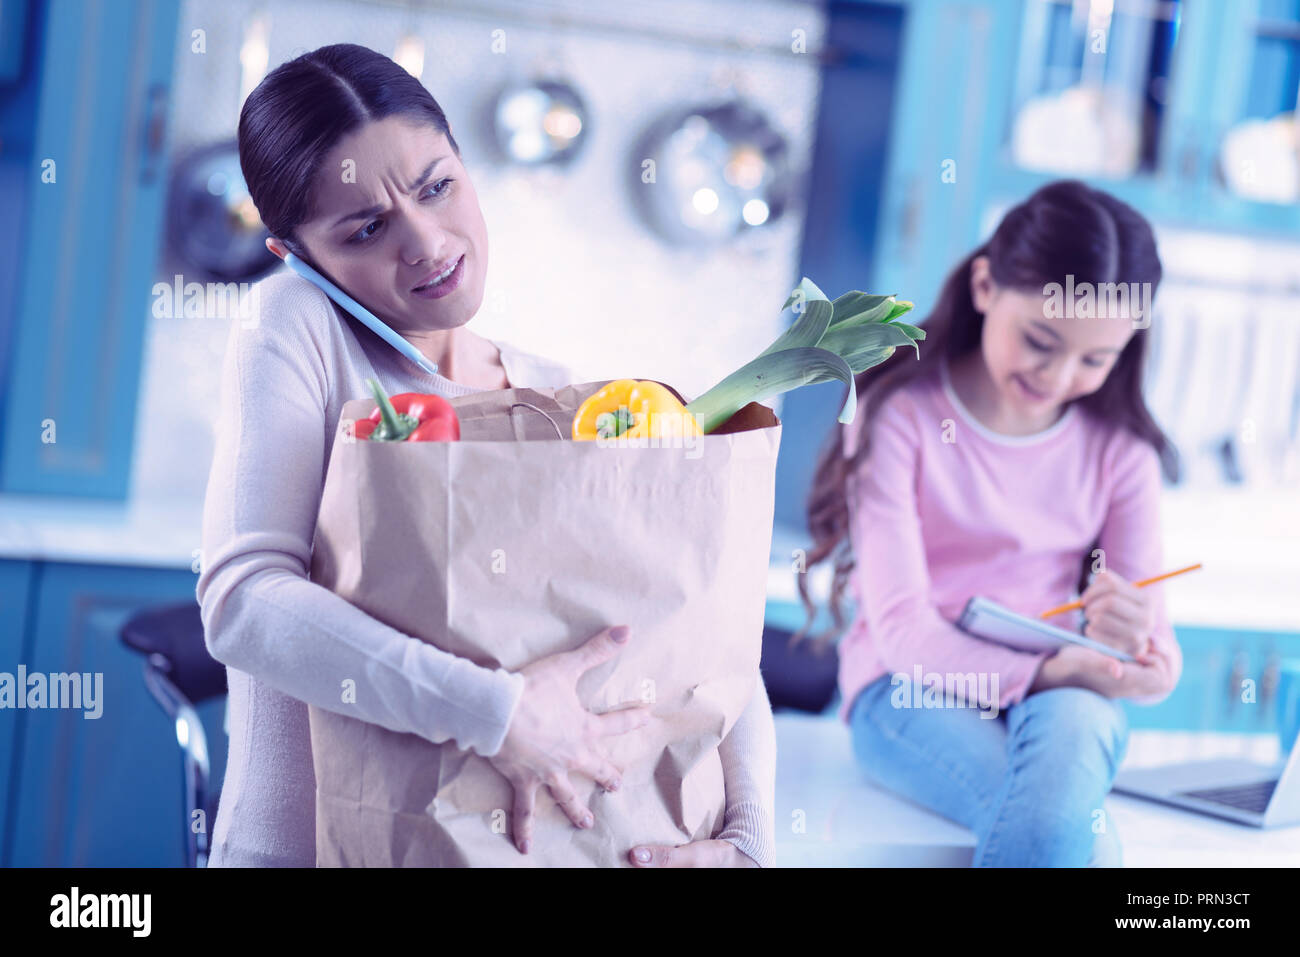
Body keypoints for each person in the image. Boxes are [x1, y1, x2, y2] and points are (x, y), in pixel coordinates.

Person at [197, 43, 774, 868]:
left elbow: (705, 628)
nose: (428, 242)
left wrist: (748, 844)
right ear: (299, 258)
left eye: (438, 186)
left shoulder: (557, 397)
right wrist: (498, 713)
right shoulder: (294, 327)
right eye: (367, 226)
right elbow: (243, 599)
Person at [795, 180, 1182, 866]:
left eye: (1096, 359)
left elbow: (1155, 657)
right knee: (1082, 835)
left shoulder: (1123, 454)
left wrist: (1142, 659)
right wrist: (1055, 668)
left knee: (1084, 725)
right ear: (983, 286)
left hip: (1059, 692)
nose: (1059, 375)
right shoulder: (901, 418)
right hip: (906, 688)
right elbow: (906, 634)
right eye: (1040, 340)